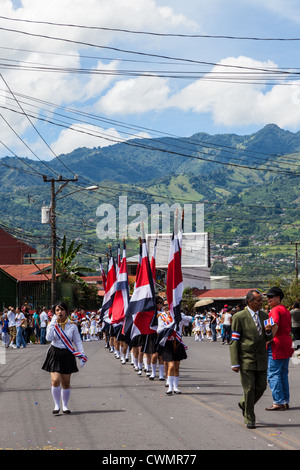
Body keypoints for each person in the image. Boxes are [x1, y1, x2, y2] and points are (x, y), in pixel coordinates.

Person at [230, 289, 273, 429]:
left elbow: (269, 337)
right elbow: (234, 340)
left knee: (261, 387)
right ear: (250, 301)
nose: (262, 302)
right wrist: (235, 362)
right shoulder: (239, 317)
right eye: (259, 300)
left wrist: (268, 331)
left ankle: (244, 404)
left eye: (262, 300)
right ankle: (249, 417)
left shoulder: (264, 315)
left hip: (261, 358)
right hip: (246, 358)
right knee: (249, 389)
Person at [42, 301, 87, 414]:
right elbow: (49, 337)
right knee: (55, 380)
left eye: (61, 310)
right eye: (57, 310)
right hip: (55, 353)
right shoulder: (52, 324)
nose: (59, 312)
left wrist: (81, 354)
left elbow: (77, 341)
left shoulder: (72, 325)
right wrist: (52, 323)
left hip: (67, 354)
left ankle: (65, 406)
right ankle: (56, 405)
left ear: (66, 311)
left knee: (66, 383)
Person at [265, 287, 293, 411]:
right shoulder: (285, 310)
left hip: (277, 344)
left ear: (278, 298)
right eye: (268, 297)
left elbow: (274, 325)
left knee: (273, 374)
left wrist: (270, 338)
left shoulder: (275, 309)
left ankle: (278, 401)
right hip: (286, 342)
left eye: (271, 297)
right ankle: (285, 400)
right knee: (282, 374)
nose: (268, 299)